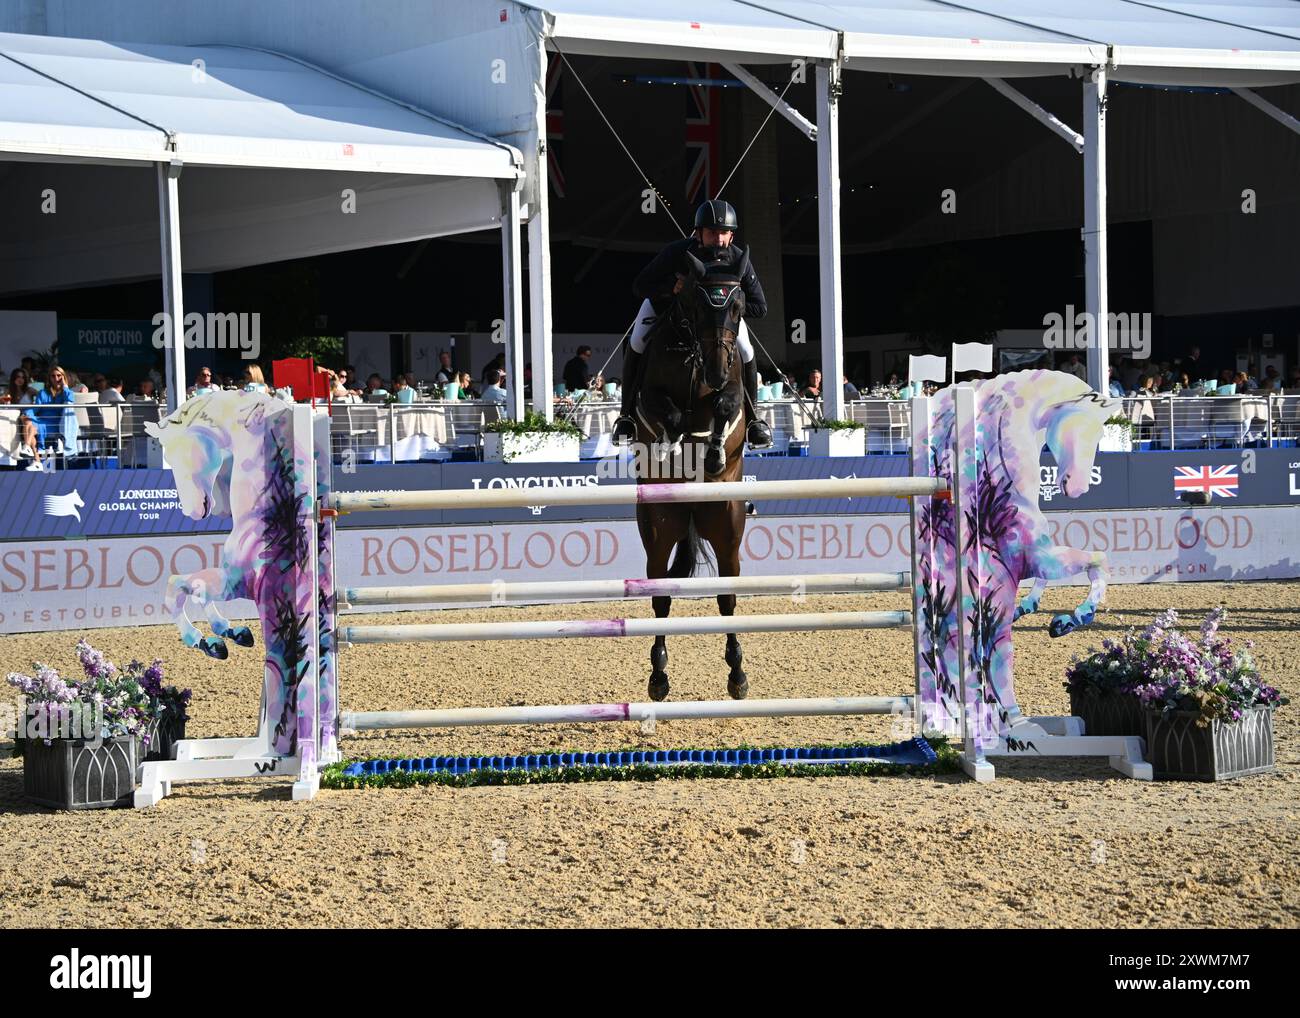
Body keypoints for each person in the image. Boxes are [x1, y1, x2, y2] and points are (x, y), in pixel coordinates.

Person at [614, 199, 772, 447]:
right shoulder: (676, 252)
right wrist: (670, 288)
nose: (719, 240)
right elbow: (640, 286)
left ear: (731, 235)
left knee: (747, 351)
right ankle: (626, 417)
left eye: (724, 233)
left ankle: (753, 421)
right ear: (699, 233)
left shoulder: (739, 258)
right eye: (712, 233)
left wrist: (733, 304)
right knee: (636, 343)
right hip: (665, 308)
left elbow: (760, 307)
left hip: (719, 321)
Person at [31, 365, 78, 455]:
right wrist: (27, 414)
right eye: (53, 376)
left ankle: (68, 445)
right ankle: (35, 452)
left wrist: (65, 386)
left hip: (60, 422)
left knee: (68, 404)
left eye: (59, 375)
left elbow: (70, 400)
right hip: (43, 421)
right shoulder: (43, 392)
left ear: (63, 377)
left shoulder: (67, 392)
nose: (56, 378)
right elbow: (35, 409)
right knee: (29, 422)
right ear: (49, 378)